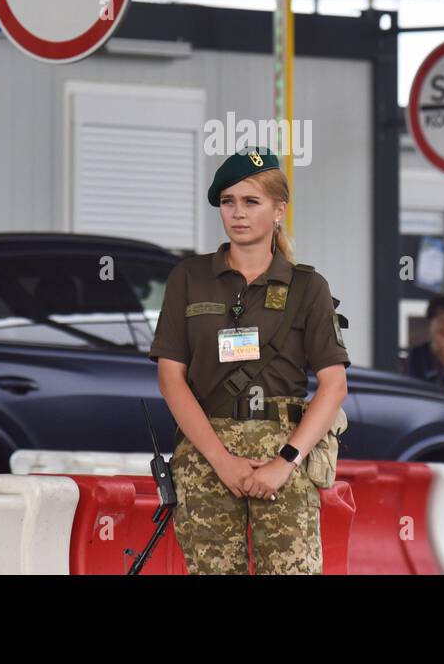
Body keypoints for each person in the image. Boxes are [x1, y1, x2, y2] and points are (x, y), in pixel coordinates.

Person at [150, 147, 350, 575]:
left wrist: (283, 463)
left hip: (284, 453)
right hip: (207, 456)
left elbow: (334, 386)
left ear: (279, 210)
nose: (237, 214)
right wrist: (222, 461)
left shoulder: (307, 287)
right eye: (228, 202)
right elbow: (170, 378)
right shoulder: (189, 277)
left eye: (251, 201)